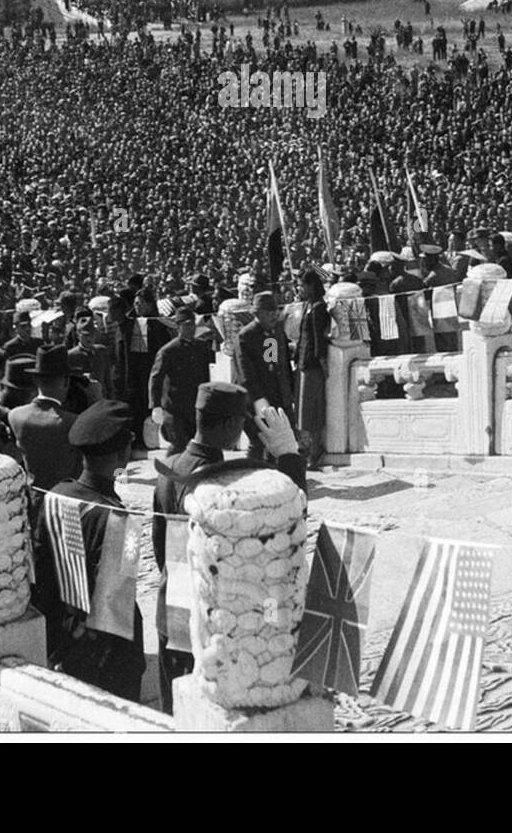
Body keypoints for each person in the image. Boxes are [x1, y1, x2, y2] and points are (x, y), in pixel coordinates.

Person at [152, 383, 305, 712]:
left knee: (174, 712)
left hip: (171, 605)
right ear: (229, 426)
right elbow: (283, 521)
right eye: (240, 422)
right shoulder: (222, 483)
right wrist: (289, 457)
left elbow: (157, 544)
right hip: (208, 618)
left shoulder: (170, 470)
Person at [33, 400, 144, 702]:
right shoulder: (120, 518)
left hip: (64, 641)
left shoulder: (55, 496)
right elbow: (117, 605)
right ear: (123, 454)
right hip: (109, 658)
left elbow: (42, 572)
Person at [235, 291, 295, 460]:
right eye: (268, 312)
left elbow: (274, 365)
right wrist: (258, 399)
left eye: (275, 312)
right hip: (255, 400)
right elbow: (245, 373)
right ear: (257, 314)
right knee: (259, 441)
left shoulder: (273, 333)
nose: (273, 316)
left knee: (279, 442)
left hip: (275, 397)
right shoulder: (245, 336)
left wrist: (287, 391)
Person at [8, 357, 83, 491]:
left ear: (35, 380)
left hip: (32, 495)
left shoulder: (15, 415)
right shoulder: (73, 421)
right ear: (66, 382)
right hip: (65, 499)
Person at [147, 306, 213, 453]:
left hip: (195, 405)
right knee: (178, 445)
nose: (191, 328)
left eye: (193, 324)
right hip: (174, 407)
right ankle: (169, 473)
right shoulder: (168, 351)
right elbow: (156, 378)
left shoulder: (201, 347)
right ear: (178, 326)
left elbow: (205, 375)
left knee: (197, 445)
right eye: (186, 325)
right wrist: (155, 405)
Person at [294, 268, 330, 468]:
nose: (299, 289)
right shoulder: (305, 306)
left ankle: (312, 451)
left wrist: (322, 362)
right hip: (299, 363)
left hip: (309, 364)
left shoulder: (316, 308)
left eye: (302, 285)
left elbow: (317, 339)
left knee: (310, 410)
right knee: (301, 410)